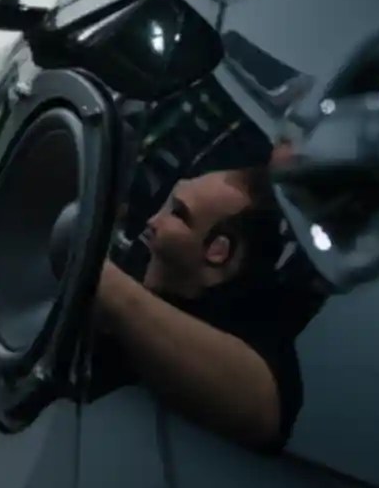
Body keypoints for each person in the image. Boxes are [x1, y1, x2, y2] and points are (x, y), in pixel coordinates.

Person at [91, 165, 318, 451]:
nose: (153, 221)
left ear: (219, 251)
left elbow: (263, 409)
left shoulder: (251, 344)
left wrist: (101, 280)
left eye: (178, 214)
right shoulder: (138, 263)